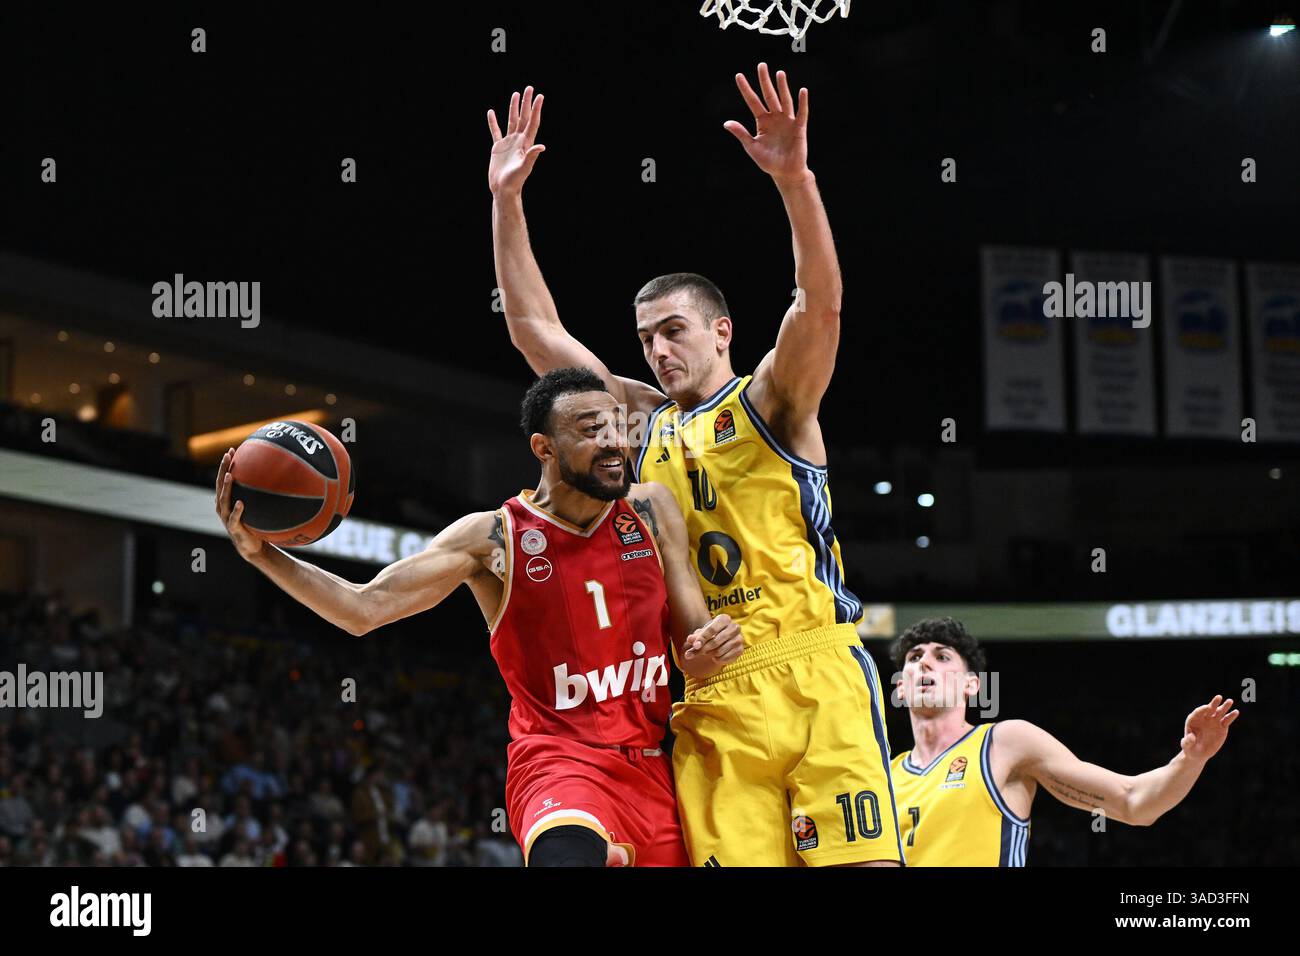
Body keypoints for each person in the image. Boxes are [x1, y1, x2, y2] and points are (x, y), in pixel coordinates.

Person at [487, 65, 898, 866]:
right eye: (645, 339)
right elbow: (534, 329)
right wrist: (507, 201)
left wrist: (796, 182)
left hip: (814, 667)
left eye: (673, 331)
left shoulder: (776, 399)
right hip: (713, 690)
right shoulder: (636, 422)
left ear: (721, 332)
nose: (657, 349)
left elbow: (819, 306)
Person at [215, 368, 742, 866]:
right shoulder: (493, 539)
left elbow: (693, 646)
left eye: (617, 427)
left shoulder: (652, 509)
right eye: (591, 430)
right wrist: (264, 556)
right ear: (544, 448)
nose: (613, 441)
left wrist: (708, 648)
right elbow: (363, 608)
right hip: (560, 763)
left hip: (651, 766)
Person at [889, 617, 1240, 865]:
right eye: (914, 657)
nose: (925, 664)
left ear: (972, 685)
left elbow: (1133, 803)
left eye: (942, 657)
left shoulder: (1004, 742)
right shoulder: (881, 777)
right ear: (901, 687)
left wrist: (1191, 758)